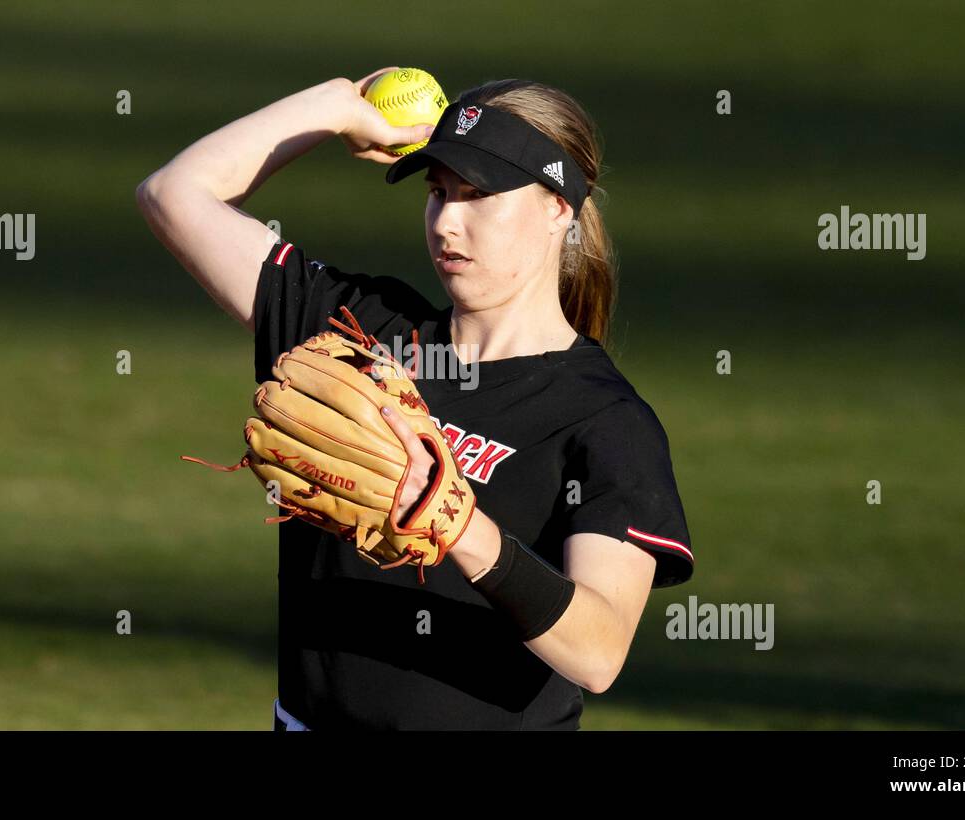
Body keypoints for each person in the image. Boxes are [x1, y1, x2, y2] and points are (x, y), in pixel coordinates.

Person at [137, 67, 695, 731]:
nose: (447, 222)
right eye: (438, 192)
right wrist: (337, 106)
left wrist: (464, 531)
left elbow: (599, 652)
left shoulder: (603, 421)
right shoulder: (355, 330)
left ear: (558, 208)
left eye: (479, 194)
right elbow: (173, 194)